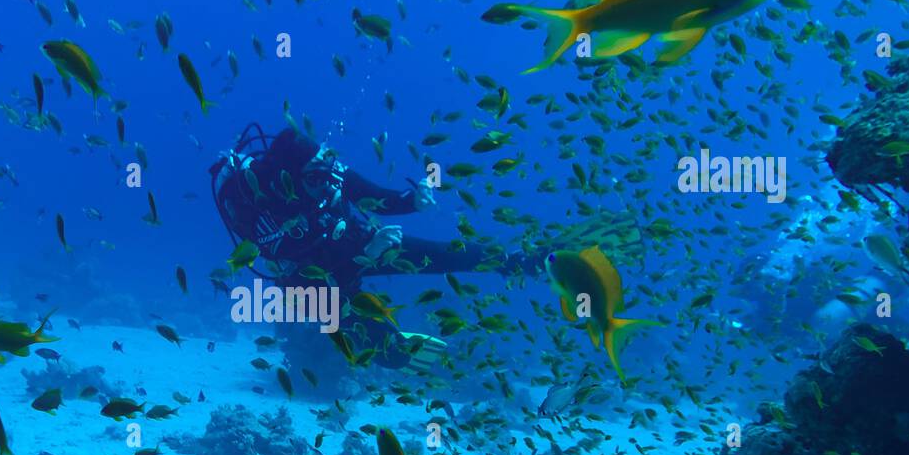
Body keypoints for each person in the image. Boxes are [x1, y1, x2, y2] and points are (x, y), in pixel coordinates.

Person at [210, 123, 644, 369]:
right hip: (305, 275)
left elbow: (365, 193)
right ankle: (395, 350)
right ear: (287, 179)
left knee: (441, 254)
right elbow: (287, 257)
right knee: (347, 319)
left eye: (326, 175)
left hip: (353, 241)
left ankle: (521, 262)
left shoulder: (322, 171)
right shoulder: (252, 199)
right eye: (313, 182)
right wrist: (364, 254)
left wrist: (408, 201)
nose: (325, 186)